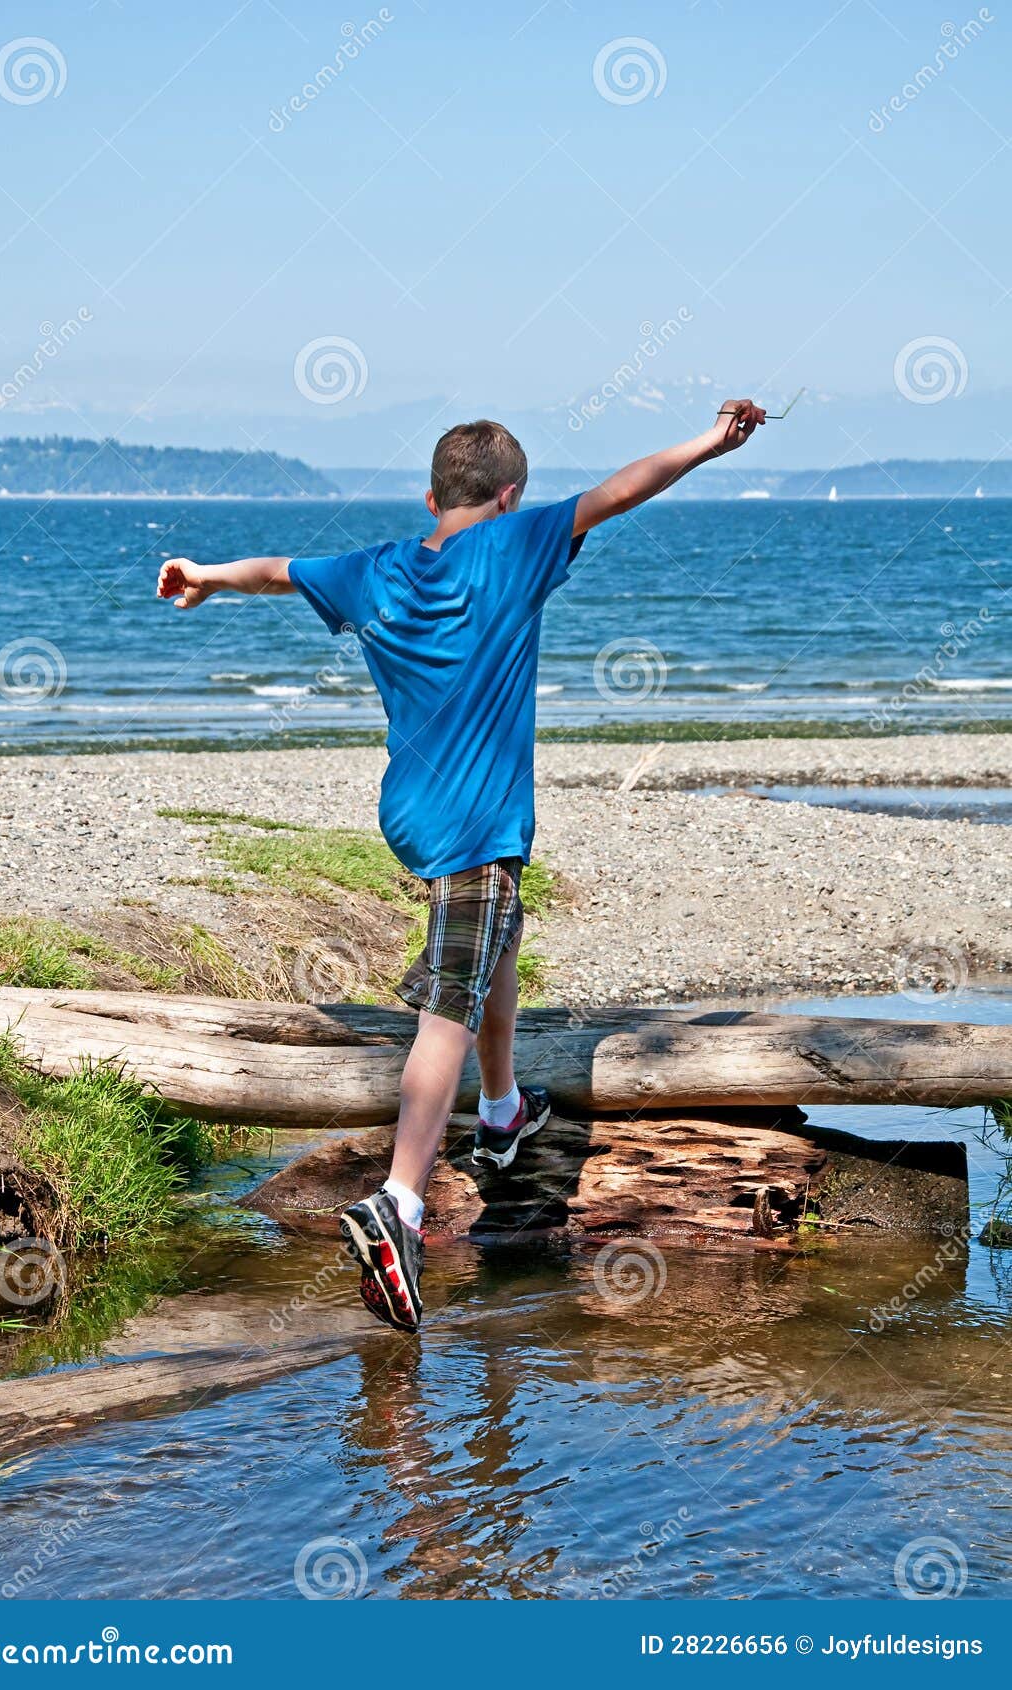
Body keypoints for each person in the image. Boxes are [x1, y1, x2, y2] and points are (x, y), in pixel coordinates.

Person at [157, 399, 765, 1333]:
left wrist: (203, 575)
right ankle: (398, 1199)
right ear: (509, 495)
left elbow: (278, 571)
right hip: (476, 818)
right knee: (448, 997)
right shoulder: (519, 545)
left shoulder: (377, 569)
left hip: (412, 811)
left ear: (432, 493)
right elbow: (624, 488)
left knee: (493, 941)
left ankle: (499, 1107)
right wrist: (712, 441)